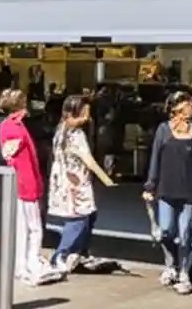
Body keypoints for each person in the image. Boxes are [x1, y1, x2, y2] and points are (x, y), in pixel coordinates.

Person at [142, 90, 192, 295]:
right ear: (178, 109)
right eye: (190, 104)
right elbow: (155, 158)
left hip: (190, 192)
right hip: (166, 190)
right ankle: (171, 264)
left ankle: (184, 274)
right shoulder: (163, 130)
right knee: (165, 231)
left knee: (186, 235)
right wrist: (150, 186)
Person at [49, 95, 115, 273]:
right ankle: (61, 254)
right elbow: (88, 160)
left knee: (89, 215)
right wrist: (106, 179)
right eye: (84, 114)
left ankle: (79, 251)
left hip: (66, 179)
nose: (87, 118)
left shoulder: (60, 130)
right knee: (78, 218)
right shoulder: (76, 135)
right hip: (75, 182)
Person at [0, 89, 50, 286]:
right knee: (34, 228)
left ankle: (22, 265)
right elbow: (10, 154)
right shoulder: (13, 127)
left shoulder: (12, 125)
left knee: (23, 227)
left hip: (24, 181)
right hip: (26, 183)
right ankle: (30, 263)